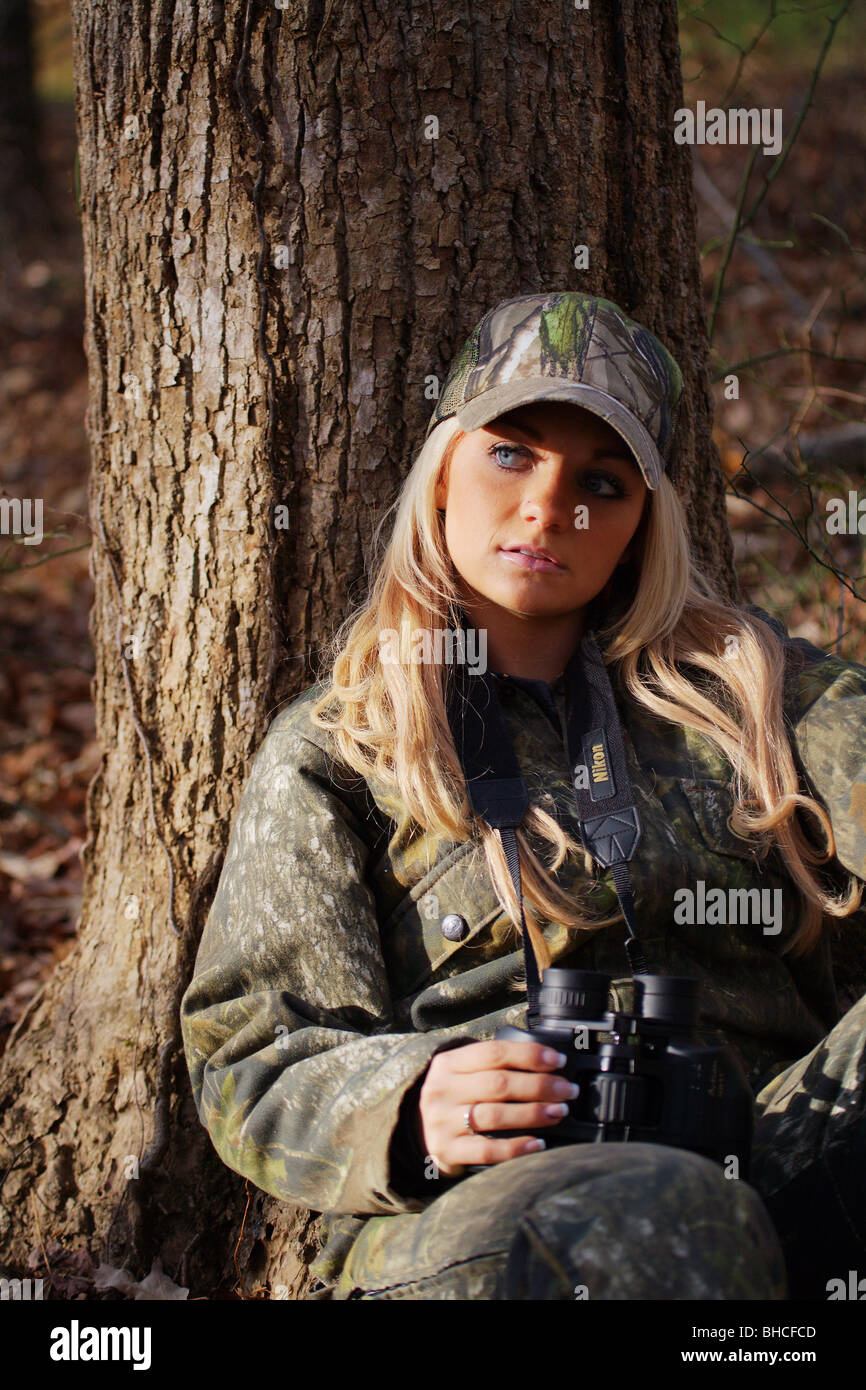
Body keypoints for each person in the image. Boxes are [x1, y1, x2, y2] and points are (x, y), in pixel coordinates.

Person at [180, 291, 866, 1301]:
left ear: (638, 526)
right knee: (647, 1221)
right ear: (442, 466)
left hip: (777, 1155)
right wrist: (411, 1100)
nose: (550, 508)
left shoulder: (760, 692)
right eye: (510, 451)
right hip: (489, 1213)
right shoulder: (342, 750)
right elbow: (251, 1052)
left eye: (600, 481)